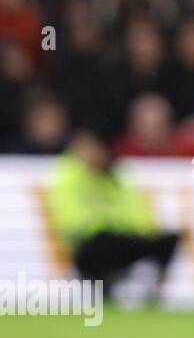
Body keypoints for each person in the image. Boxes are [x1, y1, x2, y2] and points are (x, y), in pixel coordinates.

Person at [45, 129, 181, 304]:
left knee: (168, 240)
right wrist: (109, 224)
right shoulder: (68, 174)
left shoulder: (116, 175)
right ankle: (104, 285)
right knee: (103, 240)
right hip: (87, 247)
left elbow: (139, 217)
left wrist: (123, 229)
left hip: (119, 240)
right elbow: (70, 220)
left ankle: (151, 291)